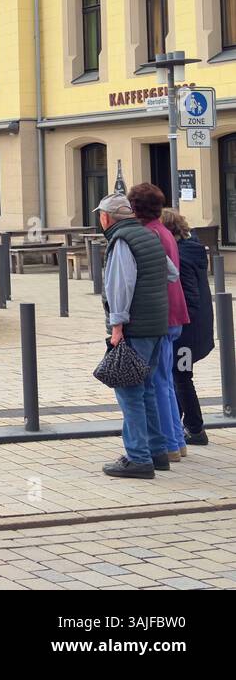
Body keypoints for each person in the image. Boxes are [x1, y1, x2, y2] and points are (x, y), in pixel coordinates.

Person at [98, 191, 174, 479]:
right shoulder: (149, 236)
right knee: (148, 389)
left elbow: (120, 286)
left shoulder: (121, 241)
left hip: (135, 327)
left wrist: (117, 327)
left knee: (129, 392)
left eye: (100, 216)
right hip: (156, 326)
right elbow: (171, 273)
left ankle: (139, 458)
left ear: (107, 217)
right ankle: (157, 452)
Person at [130, 183, 189, 462]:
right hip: (173, 312)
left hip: (160, 315)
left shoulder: (149, 234)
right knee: (164, 381)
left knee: (157, 382)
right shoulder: (163, 230)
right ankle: (175, 440)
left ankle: (167, 443)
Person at [162, 209, 214, 449]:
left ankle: (195, 428)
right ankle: (184, 424)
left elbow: (189, 297)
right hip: (199, 325)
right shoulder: (192, 249)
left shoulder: (181, 256)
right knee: (178, 377)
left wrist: (179, 325)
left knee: (181, 378)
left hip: (188, 330)